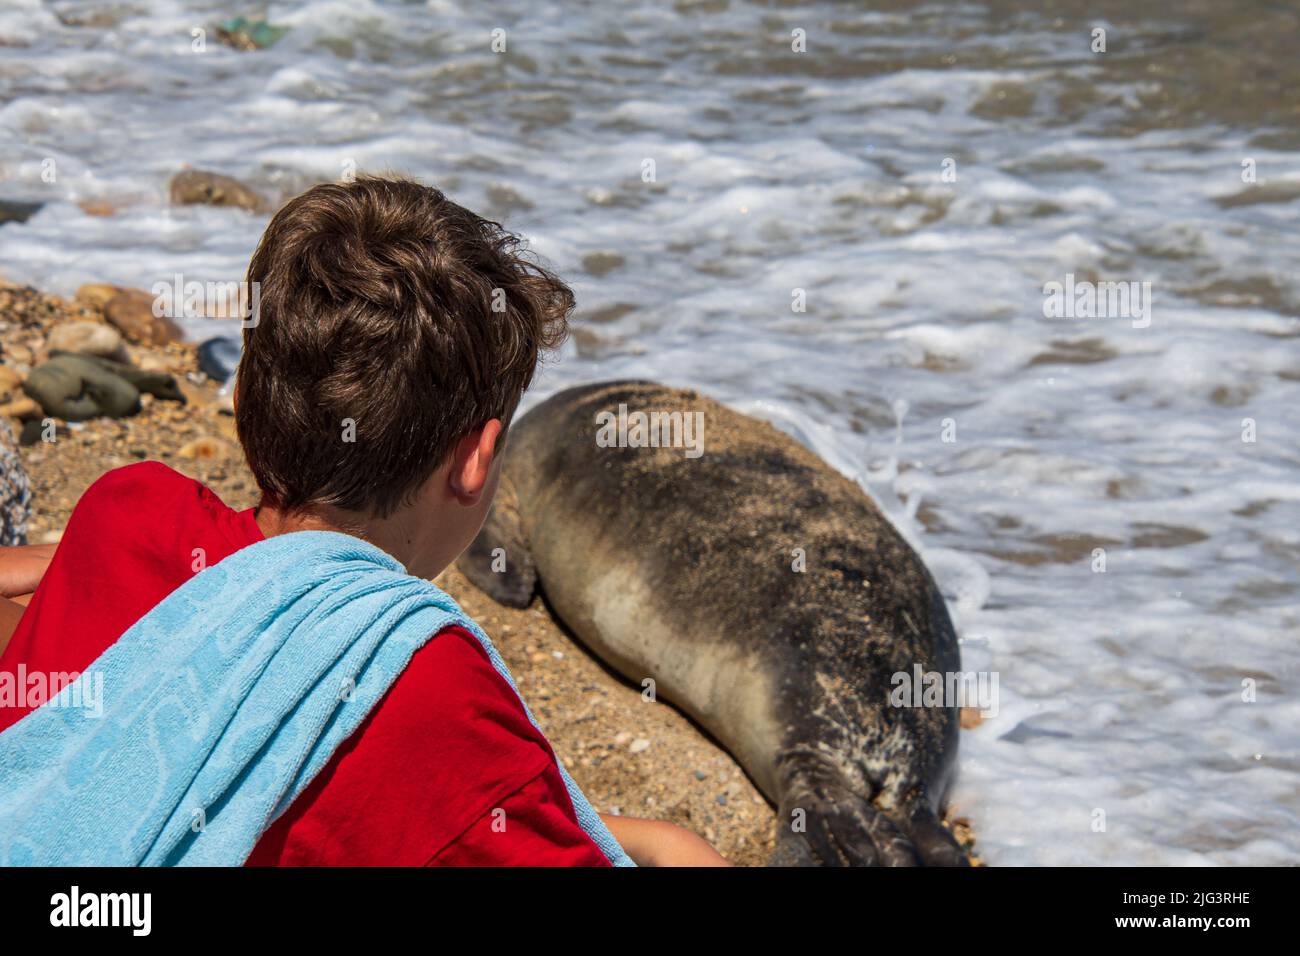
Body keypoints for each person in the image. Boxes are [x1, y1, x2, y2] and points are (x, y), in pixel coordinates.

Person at [0, 177, 727, 867]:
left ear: (247, 397)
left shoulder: (128, 512)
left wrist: (639, 833)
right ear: (475, 462)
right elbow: (449, 797)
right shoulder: (433, 691)